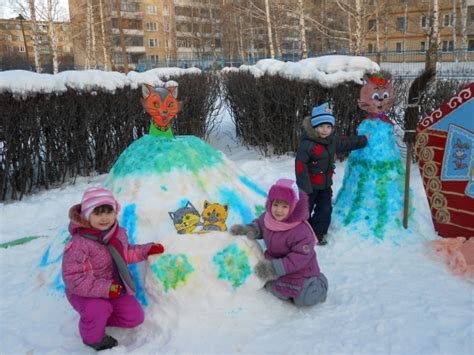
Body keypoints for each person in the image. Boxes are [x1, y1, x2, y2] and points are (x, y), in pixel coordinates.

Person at [62, 186, 165, 351]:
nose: (104, 218)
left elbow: (125, 254)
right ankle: (93, 337)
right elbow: (73, 278)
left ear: (115, 211)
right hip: (84, 292)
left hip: (113, 288)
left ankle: (96, 318)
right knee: (98, 308)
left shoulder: (117, 234)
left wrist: (146, 250)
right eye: (97, 213)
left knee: (134, 317)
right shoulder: (79, 243)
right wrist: (105, 289)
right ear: (87, 215)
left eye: (108, 211)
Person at [230, 178, 328, 307]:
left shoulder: (301, 231)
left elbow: (299, 258)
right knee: (272, 287)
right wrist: (248, 230)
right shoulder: (268, 218)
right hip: (276, 264)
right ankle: (282, 285)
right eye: (275, 205)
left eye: (284, 206)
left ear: (293, 207)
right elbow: (260, 226)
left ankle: (319, 283)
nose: (278, 210)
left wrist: (273, 268)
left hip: (300, 270)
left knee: (305, 298)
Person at [295, 102, 368, 245]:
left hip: (325, 185)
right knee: (305, 210)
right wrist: (304, 187)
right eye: (321, 126)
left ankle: (318, 233)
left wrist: (363, 140)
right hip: (309, 186)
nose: (325, 130)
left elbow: (347, 143)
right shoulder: (307, 144)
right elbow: (300, 165)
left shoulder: (332, 141)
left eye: (328, 126)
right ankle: (300, 233)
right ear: (314, 126)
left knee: (325, 209)